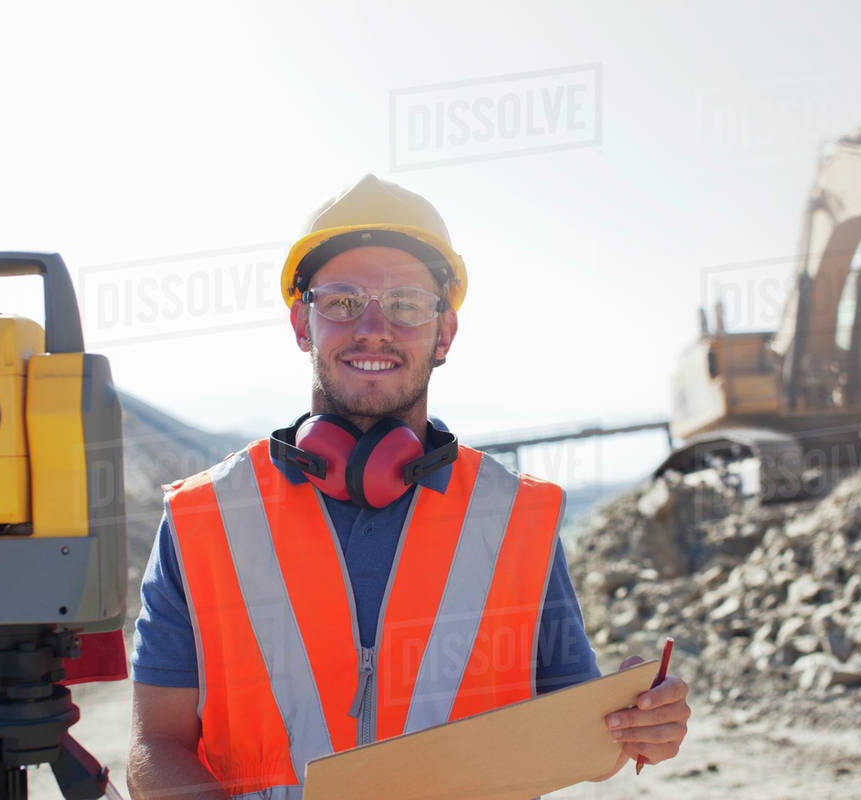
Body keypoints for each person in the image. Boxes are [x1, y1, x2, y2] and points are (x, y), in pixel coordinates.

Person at [127, 175, 690, 798]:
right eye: (341, 301)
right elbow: (157, 745)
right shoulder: (205, 519)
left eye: (407, 303)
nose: (373, 327)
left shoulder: (512, 518)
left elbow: (575, 737)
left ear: (444, 332)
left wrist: (637, 725)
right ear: (300, 323)